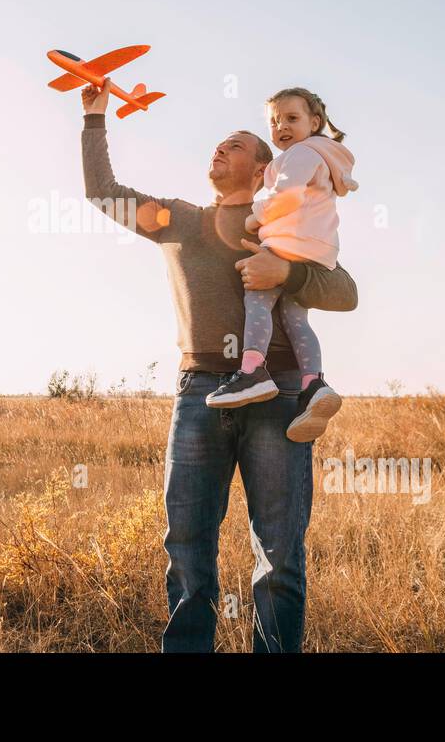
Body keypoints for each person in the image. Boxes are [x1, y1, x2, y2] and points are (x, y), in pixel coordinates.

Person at [78, 78, 358, 653]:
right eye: (218, 144)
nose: (219, 150)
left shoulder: (287, 233)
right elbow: (103, 193)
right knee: (186, 547)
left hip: (278, 393)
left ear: (264, 170)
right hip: (201, 391)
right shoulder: (179, 219)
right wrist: (96, 117)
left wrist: (289, 275)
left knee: (279, 555)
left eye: (235, 144)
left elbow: (346, 291)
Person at [204, 87, 357, 444]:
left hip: (289, 241)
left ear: (314, 122)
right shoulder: (321, 157)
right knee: (294, 317)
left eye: (291, 118)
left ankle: (253, 371)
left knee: (257, 299)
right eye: (274, 121)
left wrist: (255, 217)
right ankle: (313, 384)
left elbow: (286, 195)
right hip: (317, 250)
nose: (281, 127)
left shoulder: (301, 154)